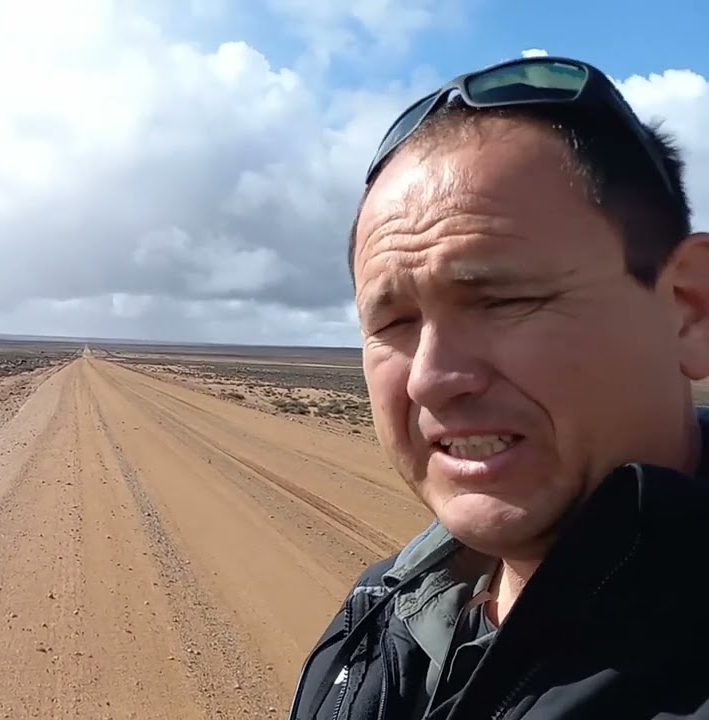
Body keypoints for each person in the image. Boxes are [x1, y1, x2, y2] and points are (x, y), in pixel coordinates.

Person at [287, 55, 709, 720]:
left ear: (688, 309)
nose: (430, 378)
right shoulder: (382, 613)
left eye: (503, 299)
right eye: (393, 320)